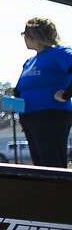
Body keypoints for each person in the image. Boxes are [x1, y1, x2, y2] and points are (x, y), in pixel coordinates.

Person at [14, 17, 72, 168]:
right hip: (30, 119)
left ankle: (59, 192)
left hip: (52, 117)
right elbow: (20, 89)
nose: (24, 38)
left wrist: (66, 94)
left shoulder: (59, 53)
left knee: (52, 164)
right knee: (40, 166)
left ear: (35, 35)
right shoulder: (29, 62)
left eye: (25, 34)